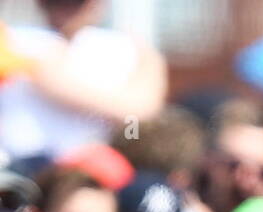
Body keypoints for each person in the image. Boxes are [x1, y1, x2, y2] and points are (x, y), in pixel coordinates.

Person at [0, 0, 167, 161]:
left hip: (93, 168)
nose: (65, 7)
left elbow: (138, 115)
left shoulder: (122, 48)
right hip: (25, 165)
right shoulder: (14, 40)